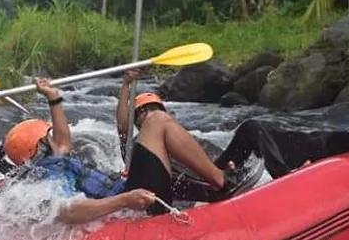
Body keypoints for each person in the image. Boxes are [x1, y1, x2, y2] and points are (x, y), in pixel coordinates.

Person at [3, 78, 234, 224]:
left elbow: (63, 139)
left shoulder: (56, 159)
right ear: (41, 145)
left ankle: (215, 186)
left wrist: (53, 98)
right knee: (157, 122)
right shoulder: (49, 175)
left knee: (157, 123)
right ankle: (222, 182)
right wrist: (124, 200)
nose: (57, 137)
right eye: (49, 135)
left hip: (131, 194)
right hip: (133, 206)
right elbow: (66, 211)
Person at [116, 70, 272, 202]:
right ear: (135, 121)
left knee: (251, 128)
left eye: (155, 109)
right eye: (144, 111)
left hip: (208, 177)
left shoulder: (176, 135)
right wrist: (125, 85)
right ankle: (224, 184)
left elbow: (209, 159)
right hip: (179, 190)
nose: (152, 114)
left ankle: (285, 177)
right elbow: (123, 128)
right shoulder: (137, 147)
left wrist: (228, 166)